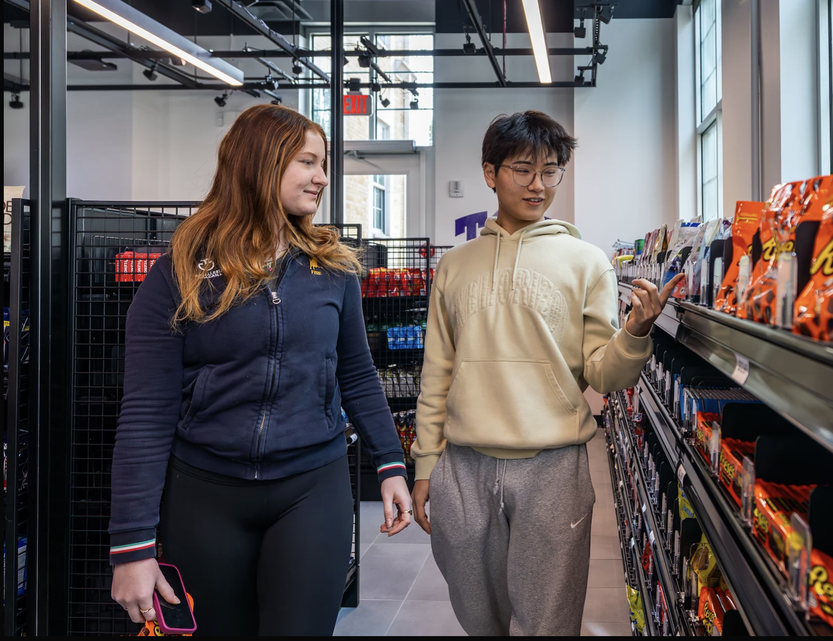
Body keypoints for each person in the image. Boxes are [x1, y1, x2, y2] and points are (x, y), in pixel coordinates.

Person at [108, 105, 414, 636]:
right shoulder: (183, 267)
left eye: (323, 164)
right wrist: (131, 544)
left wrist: (390, 463)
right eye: (308, 162)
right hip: (204, 494)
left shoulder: (333, 265)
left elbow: (357, 372)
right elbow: (145, 412)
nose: (322, 177)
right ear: (260, 163)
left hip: (311, 489)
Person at [410, 110, 681, 636]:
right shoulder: (455, 266)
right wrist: (425, 467)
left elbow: (603, 373)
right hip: (462, 465)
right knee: (476, 614)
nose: (538, 185)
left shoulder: (587, 262)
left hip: (554, 467)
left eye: (551, 171)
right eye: (523, 170)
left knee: (549, 621)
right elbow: (437, 370)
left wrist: (636, 334)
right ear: (491, 173)